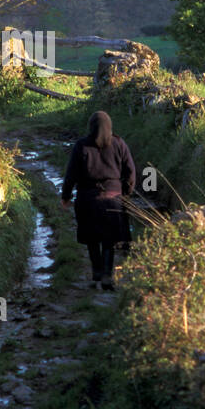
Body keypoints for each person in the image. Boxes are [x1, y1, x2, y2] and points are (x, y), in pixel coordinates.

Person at [61, 110, 136, 291]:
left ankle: (96, 274)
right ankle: (107, 277)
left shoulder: (81, 145)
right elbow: (130, 172)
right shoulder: (119, 143)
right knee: (109, 240)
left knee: (92, 238)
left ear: (91, 127)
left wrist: (66, 196)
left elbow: (71, 174)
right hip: (113, 199)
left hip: (87, 200)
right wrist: (126, 193)